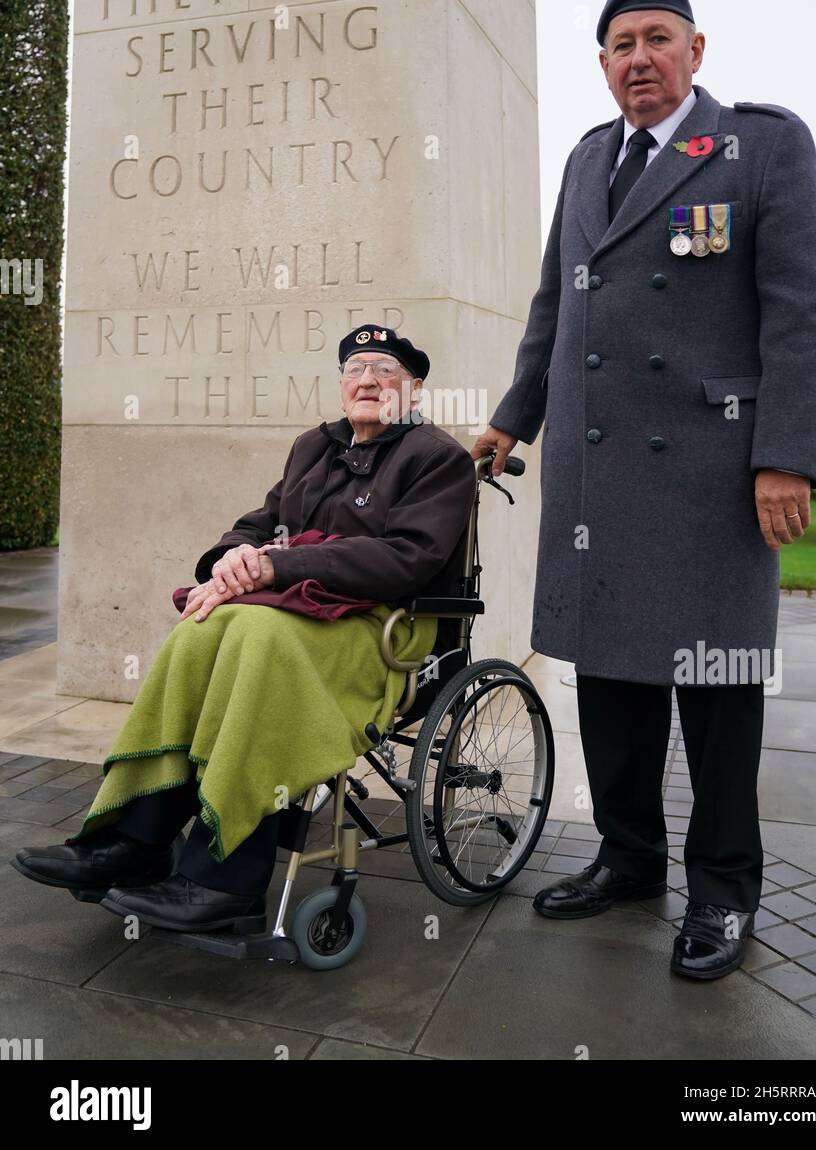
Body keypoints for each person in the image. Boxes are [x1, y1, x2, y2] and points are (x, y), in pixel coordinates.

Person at [471, 0, 816, 979]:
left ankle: (721, 890)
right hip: (595, 478)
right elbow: (555, 304)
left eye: (656, 38)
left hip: (712, 476)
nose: (637, 57)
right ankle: (628, 858)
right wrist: (511, 420)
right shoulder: (588, 157)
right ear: (601, 65)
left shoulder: (760, 145)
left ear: (694, 50)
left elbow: (804, 313)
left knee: (715, 695)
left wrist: (782, 457)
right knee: (609, 683)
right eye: (619, 43)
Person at [13, 325, 477, 933]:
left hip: (386, 628)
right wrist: (232, 558)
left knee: (259, 642)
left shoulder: (436, 457)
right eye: (356, 369)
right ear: (341, 386)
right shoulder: (314, 445)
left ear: (412, 390)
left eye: (386, 370)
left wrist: (277, 564)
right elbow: (261, 522)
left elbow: (407, 560)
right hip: (298, 611)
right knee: (200, 629)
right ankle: (136, 839)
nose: (369, 380)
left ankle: (225, 878)